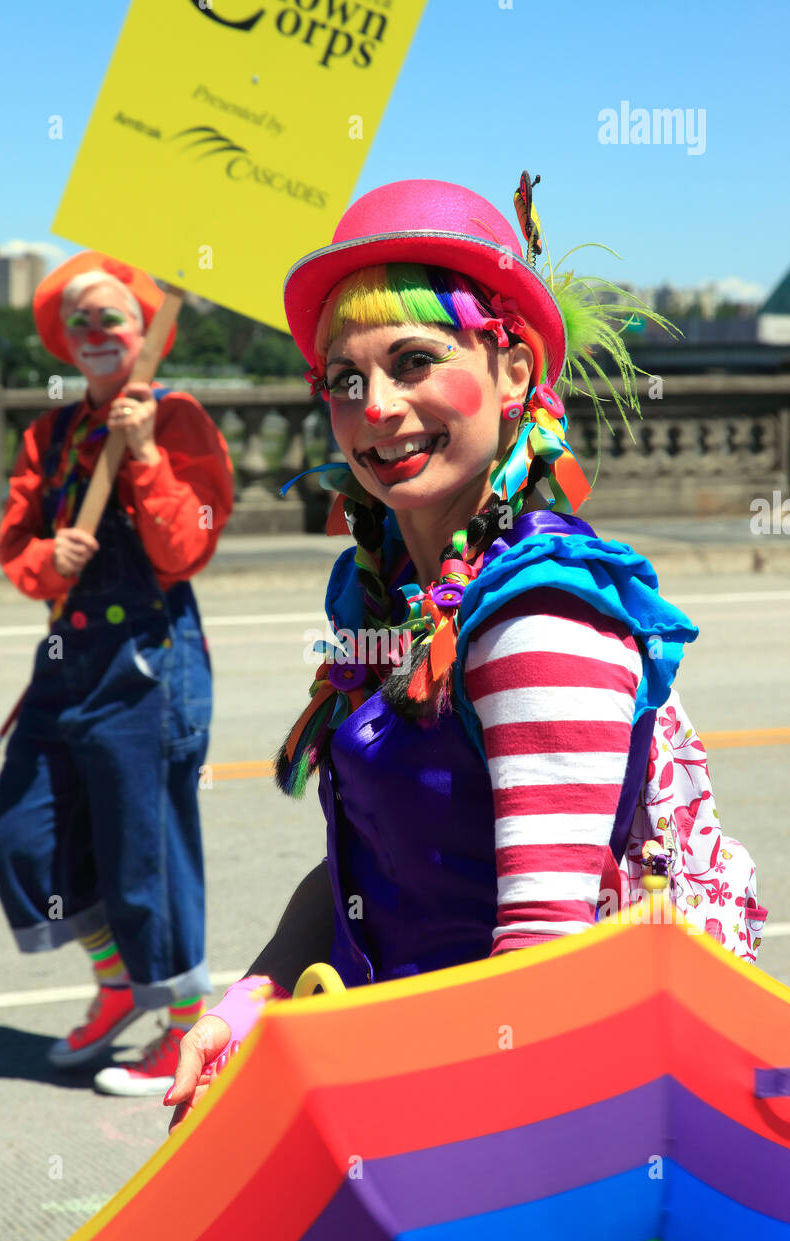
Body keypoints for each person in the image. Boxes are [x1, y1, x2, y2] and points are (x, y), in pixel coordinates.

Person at [164, 176, 766, 1130]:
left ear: (514, 372)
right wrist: (255, 999)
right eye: (346, 382)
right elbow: (370, 866)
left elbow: (537, 974)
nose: (379, 410)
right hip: (418, 1085)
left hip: (525, 1129)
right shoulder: (384, 597)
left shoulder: (539, 626)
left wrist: (394, 1127)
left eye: (414, 361)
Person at [0, 251, 234, 1096]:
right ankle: (120, 983)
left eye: (113, 318)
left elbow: (186, 545)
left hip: (150, 664)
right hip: (64, 665)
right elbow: (17, 548)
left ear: (143, 330)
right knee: (22, 838)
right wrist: (48, 559)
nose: (97, 333)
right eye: (82, 321)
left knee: (146, 856)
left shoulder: (179, 418)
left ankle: (180, 1027)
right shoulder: (49, 434)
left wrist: (144, 459)